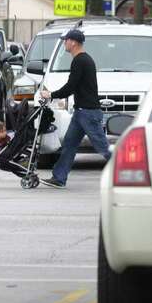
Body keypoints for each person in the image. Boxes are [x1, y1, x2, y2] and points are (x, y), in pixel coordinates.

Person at [39, 28, 110, 189]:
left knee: (103, 148)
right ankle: (59, 178)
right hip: (81, 112)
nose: (65, 43)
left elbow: (71, 87)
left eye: (66, 40)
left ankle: (129, 173)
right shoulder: (84, 60)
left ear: (73, 42)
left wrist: (50, 94)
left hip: (88, 113)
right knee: (69, 145)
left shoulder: (80, 61)